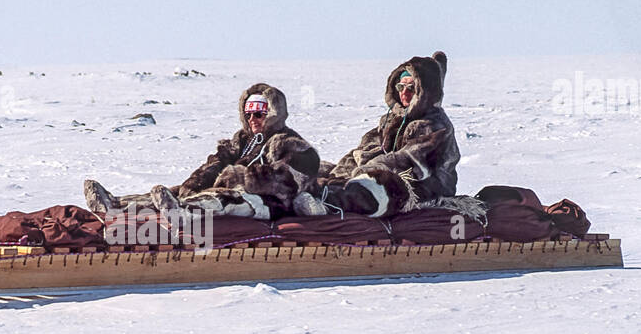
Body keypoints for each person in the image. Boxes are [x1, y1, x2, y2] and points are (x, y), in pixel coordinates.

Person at [84, 83, 323, 221]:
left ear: (273, 113)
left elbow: (288, 179)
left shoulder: (290, 143)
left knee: (225, 198)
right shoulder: (242, 140)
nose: (253, 120)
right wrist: (196, 182)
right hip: (237, 189)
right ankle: (118, 206)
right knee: (178, 192)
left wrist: (237, 179)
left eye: (259, 114)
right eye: (248, 114)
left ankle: (185, 213)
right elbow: (217, 162)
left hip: (271, 204)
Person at [313, 51, 463, 218]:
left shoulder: (434, 125)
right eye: (401, 87)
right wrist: (339, 176)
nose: (404, 93)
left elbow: (410, 161)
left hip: (426, 188)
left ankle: (328, 205)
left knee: (373, 187)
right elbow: (367, 148)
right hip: (387, 174)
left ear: (424, 92)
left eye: (411, 88)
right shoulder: (393, 120)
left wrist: (366, 172)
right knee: (320, 170)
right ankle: (316, 194)